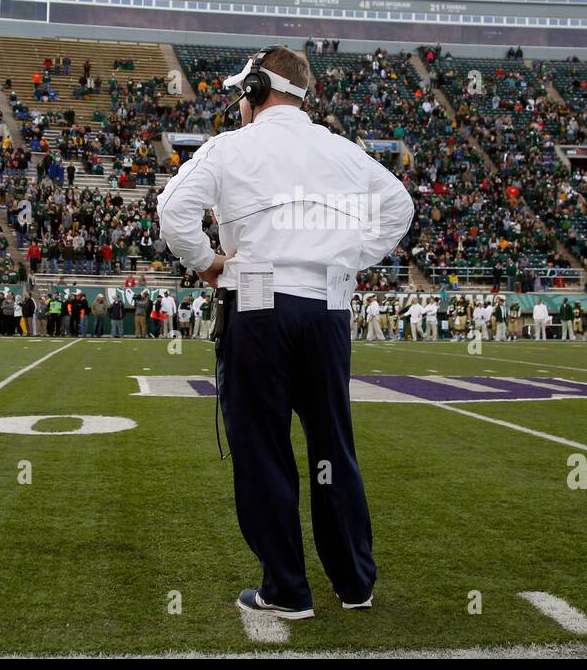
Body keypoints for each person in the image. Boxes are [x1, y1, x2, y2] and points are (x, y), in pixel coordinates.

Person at [158, 45, 413, 620]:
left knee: (264, 451)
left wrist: (210, 263)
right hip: (327, 306)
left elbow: (173, 210)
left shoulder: (232, 147)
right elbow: (399, 206)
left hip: (257, 296)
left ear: (254, 89)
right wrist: (350, 258)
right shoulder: (342, 151)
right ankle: (354, 583)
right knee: (333, 450)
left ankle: (287, 589)